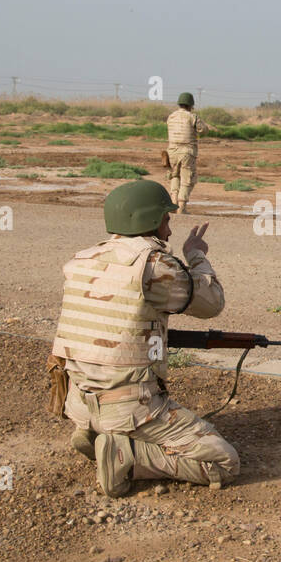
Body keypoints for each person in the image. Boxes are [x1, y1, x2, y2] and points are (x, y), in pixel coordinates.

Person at [49, 179, 239, 497]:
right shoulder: (152, 266)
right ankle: (126, 455)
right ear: (149, 220)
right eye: (166, 219)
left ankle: (94, 432)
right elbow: (211, 302)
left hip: (78, 402)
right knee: (224, 461)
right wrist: (195, 256)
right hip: (128, 408)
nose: (168, 230)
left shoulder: (81, 260)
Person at [166, 92, 207, 213]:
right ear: (190, 105)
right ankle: (181, 208)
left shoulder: (171, 116)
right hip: (187, 152)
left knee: (174, 176)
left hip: (171, 151)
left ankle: (173, 204)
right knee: (187, 179)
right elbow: (203, 130)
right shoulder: (192, 117)